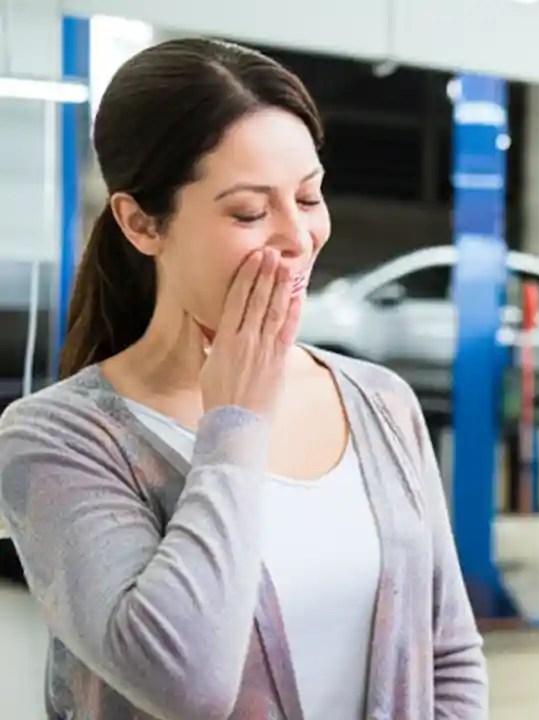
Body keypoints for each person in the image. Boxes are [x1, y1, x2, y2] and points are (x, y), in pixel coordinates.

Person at [0, 38, 487, 719]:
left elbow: (451, 659)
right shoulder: (56, 439)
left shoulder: (381, 403)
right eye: (250, 212)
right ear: (141, 223)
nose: (299, 237)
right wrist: (236, 422)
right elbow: (184, 683)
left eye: (310, 196)